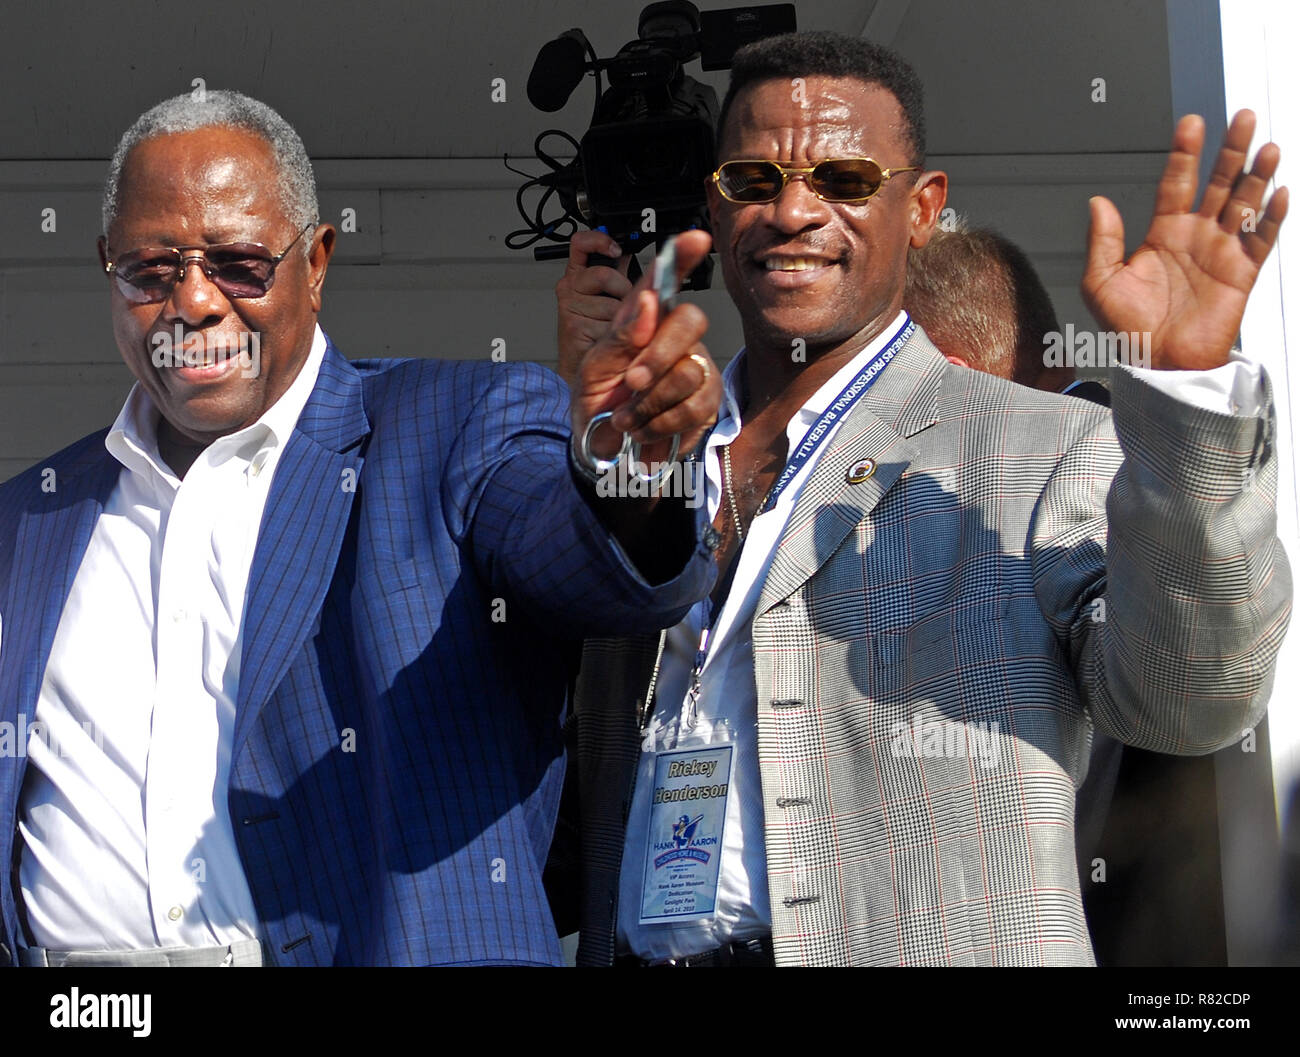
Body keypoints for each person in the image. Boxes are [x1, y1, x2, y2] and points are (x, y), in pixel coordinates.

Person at [554, 31, 1290, 966]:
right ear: (714, 200)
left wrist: (1188, 392)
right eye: (753, 179)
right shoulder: (664, 451)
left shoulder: (1038, 445)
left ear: (922, 209)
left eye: (845, 180)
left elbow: (1193, 697)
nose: (792, 210)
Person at [0, 90, 725, 967]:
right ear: (107, 269)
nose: (192, 302)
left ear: (316, 260)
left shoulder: (457, 426)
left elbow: (583, 564)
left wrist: (633, 473)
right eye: (152, 270)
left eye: (238, 263)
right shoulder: (29, 519)